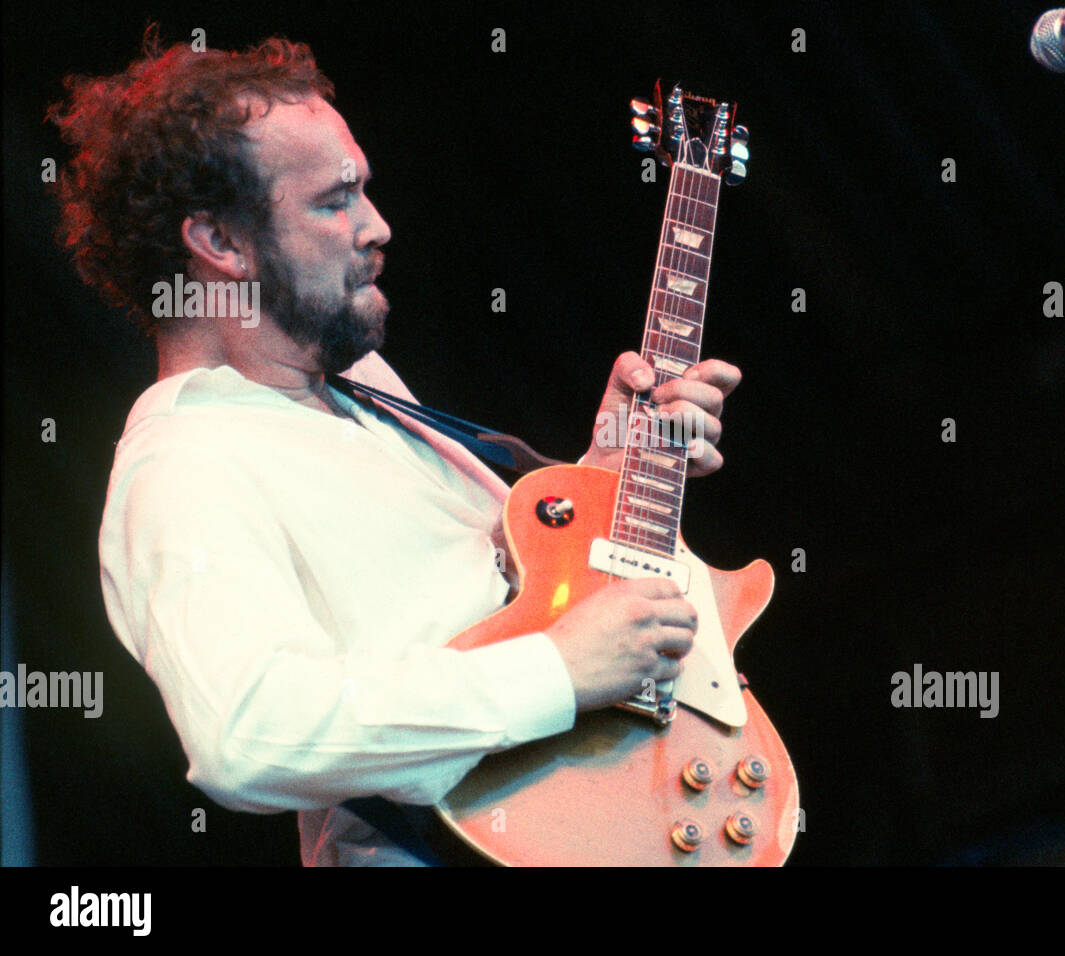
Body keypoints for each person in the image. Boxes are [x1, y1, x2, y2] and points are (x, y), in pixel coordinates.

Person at [50, 29, 742, 865]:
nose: (376, 226)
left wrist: (607, 469)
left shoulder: (356, 384)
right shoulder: (187, 462)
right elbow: (248, 735)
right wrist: (557, 672)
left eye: (364, 191)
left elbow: (469, 602)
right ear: (221, 244)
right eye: (333, 200)